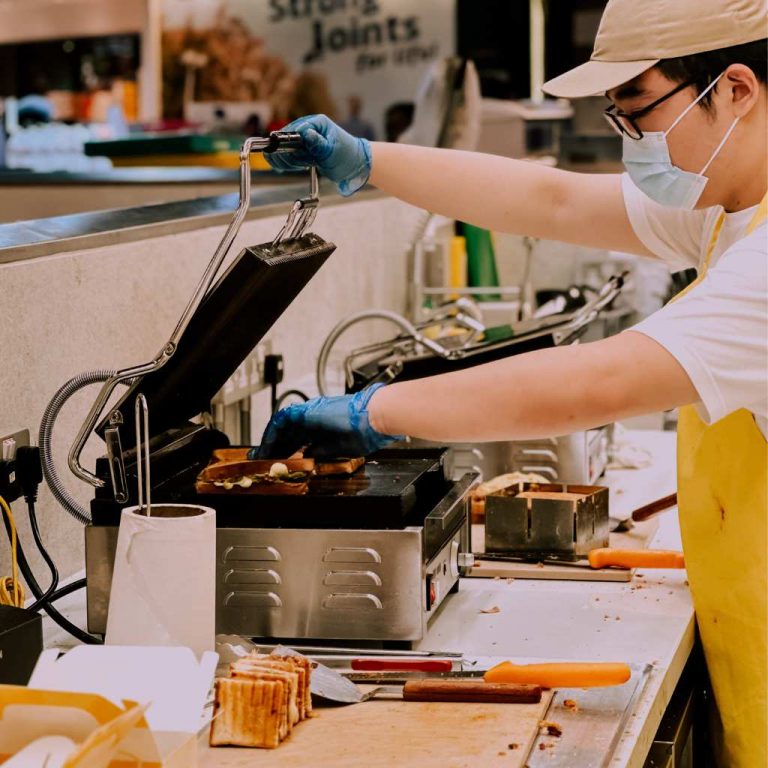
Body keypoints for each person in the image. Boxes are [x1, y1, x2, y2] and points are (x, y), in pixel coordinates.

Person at [261, 1, 767, 764]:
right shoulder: (729, 206)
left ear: (736, 90)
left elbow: (599, 380)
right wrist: (370, 161)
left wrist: (379, 411)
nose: (627, 142)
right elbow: (551, 199)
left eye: (640, 114)